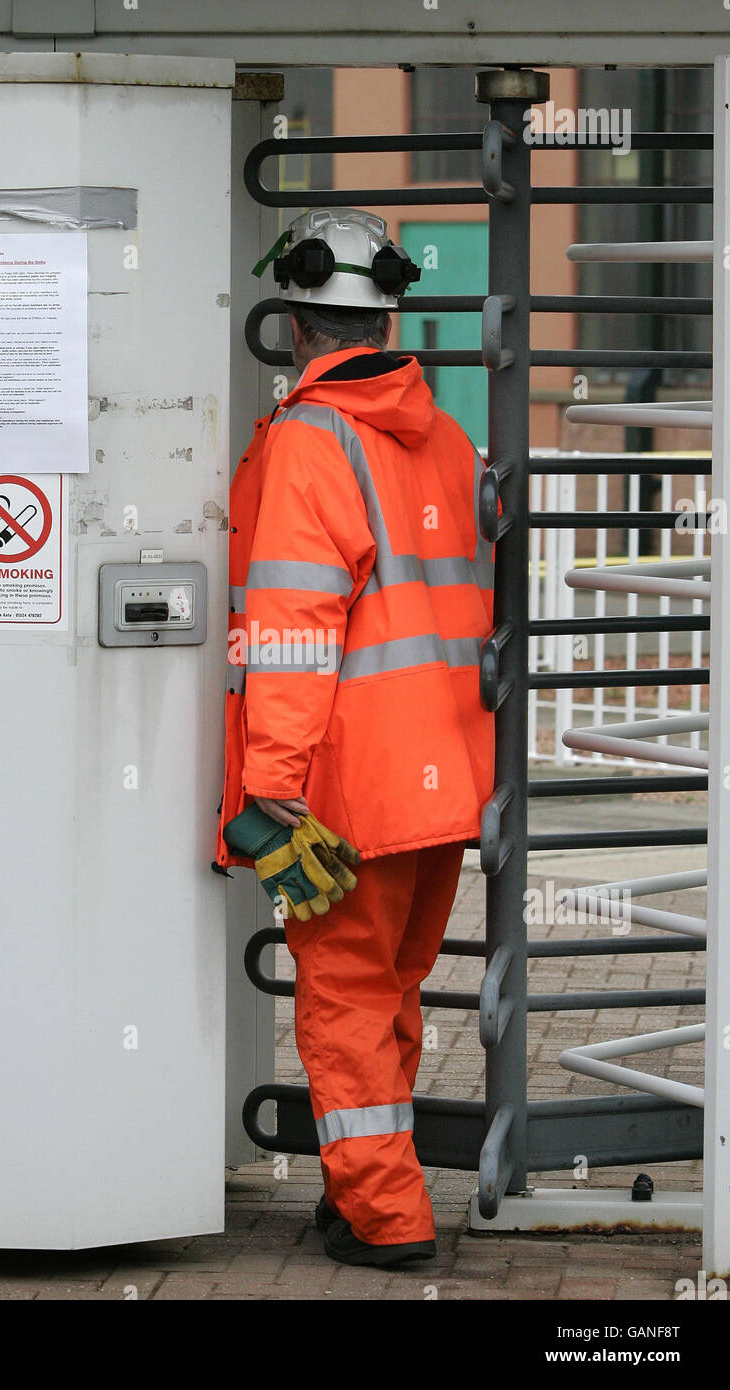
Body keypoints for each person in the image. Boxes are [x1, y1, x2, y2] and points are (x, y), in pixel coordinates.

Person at [216, 207, 497, 1268]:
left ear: (291, 322)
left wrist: (271, 781)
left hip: (344, 785)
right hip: (440, 780)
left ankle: (386, 1217)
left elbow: (291, 622)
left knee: (340, 997)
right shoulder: (441, 433)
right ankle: (358, 1184)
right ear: (384, 315)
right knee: (389, 988)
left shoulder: (307, 440)